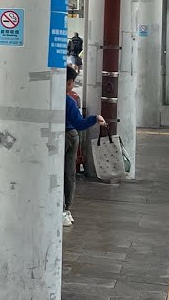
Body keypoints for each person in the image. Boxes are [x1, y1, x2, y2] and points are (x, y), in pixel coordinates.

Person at [63, 65, 106, 228]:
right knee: (69, 174)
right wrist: (95, 118)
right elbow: (79, 124)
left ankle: (60, 209)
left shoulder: (50, 97)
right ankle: (66, 210)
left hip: (59, 138)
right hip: (70, 136)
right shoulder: (69, 101)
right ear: (68, 82)